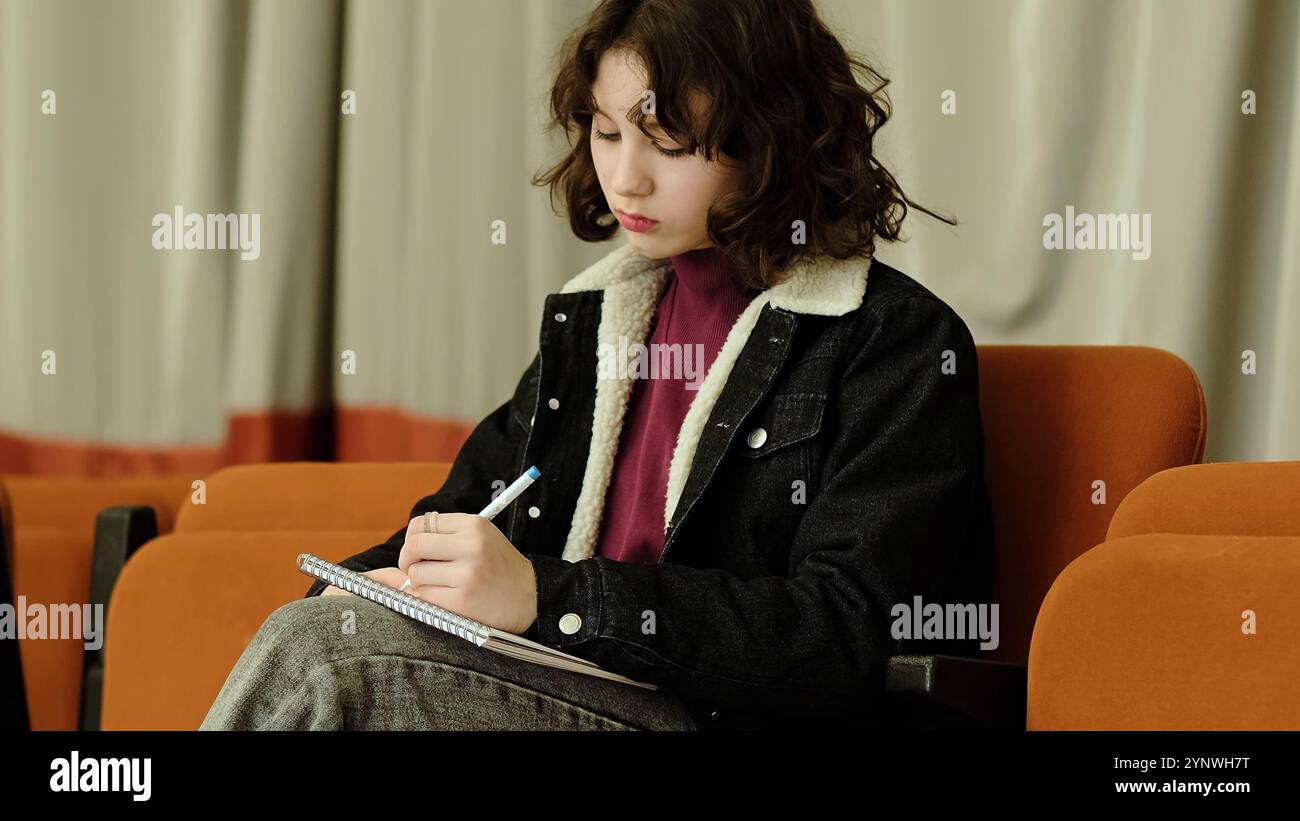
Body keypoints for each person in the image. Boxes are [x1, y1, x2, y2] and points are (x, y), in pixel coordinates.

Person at [201, 0, 994, 732]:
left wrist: (549, 597)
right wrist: (370, 582)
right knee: (325, 627)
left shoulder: (892, 340)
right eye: (607, 133)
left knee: (326, 659)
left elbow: (844, 634)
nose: (625, 177)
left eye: (670, 143)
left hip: (713, 718)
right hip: (567, 691)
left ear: (774, 138)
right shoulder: (598, 322)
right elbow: (463, 508)